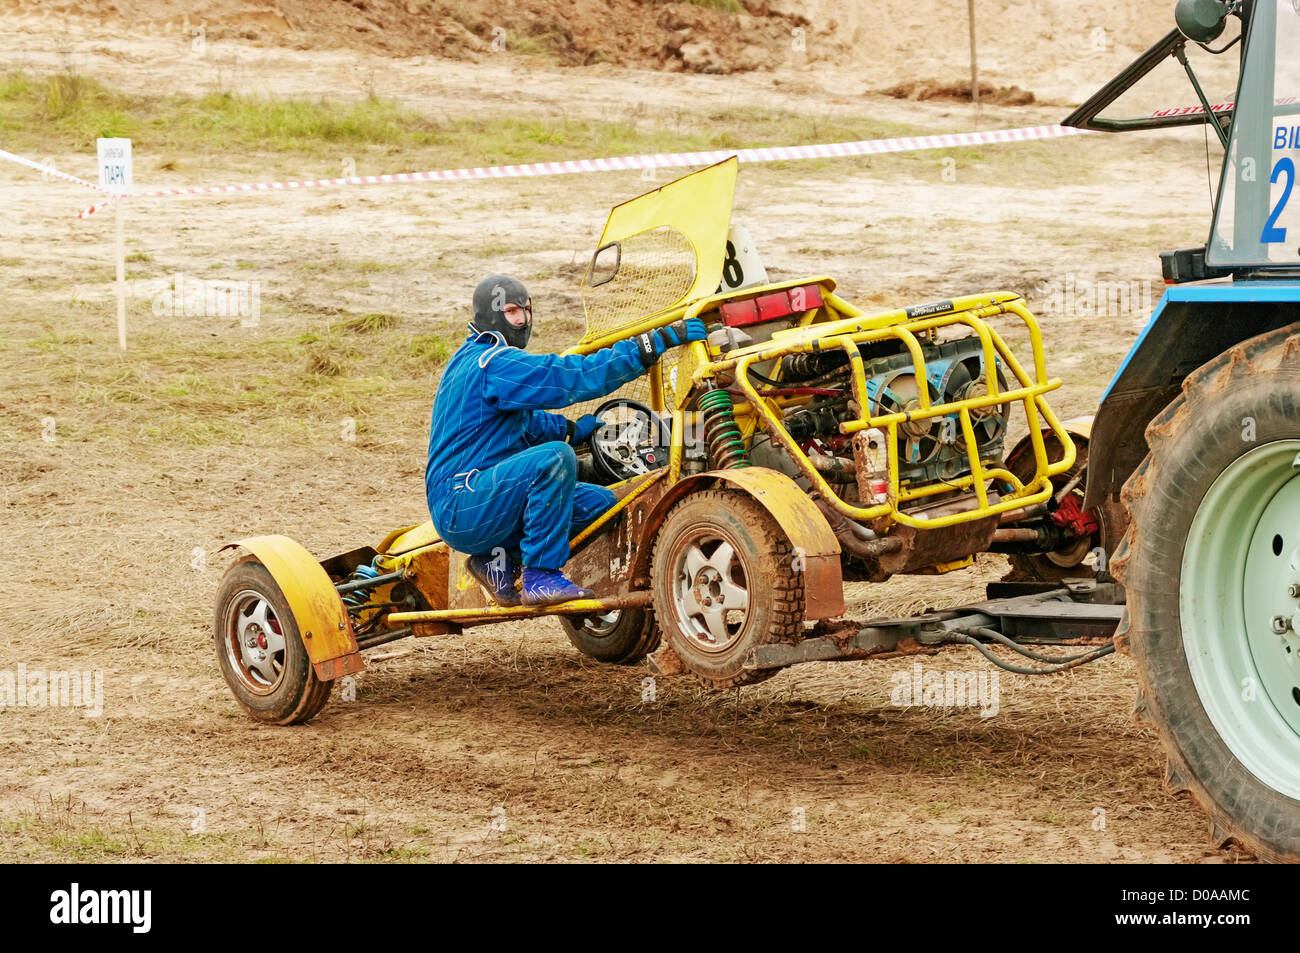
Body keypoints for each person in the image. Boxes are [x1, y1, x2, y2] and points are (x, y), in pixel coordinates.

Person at [425, 274, 705, 607]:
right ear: (491, 314)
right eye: (513, 311)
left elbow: (523, 423)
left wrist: (572, 431)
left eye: (527, 310)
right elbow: (571, 375)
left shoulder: (474, 359)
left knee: (600, 506)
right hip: (462, 500)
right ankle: (540, 577)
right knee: (555, 459)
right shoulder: (493, 363)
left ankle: (498, 559)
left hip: (479, 498)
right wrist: (651, 344)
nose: (523, 320)